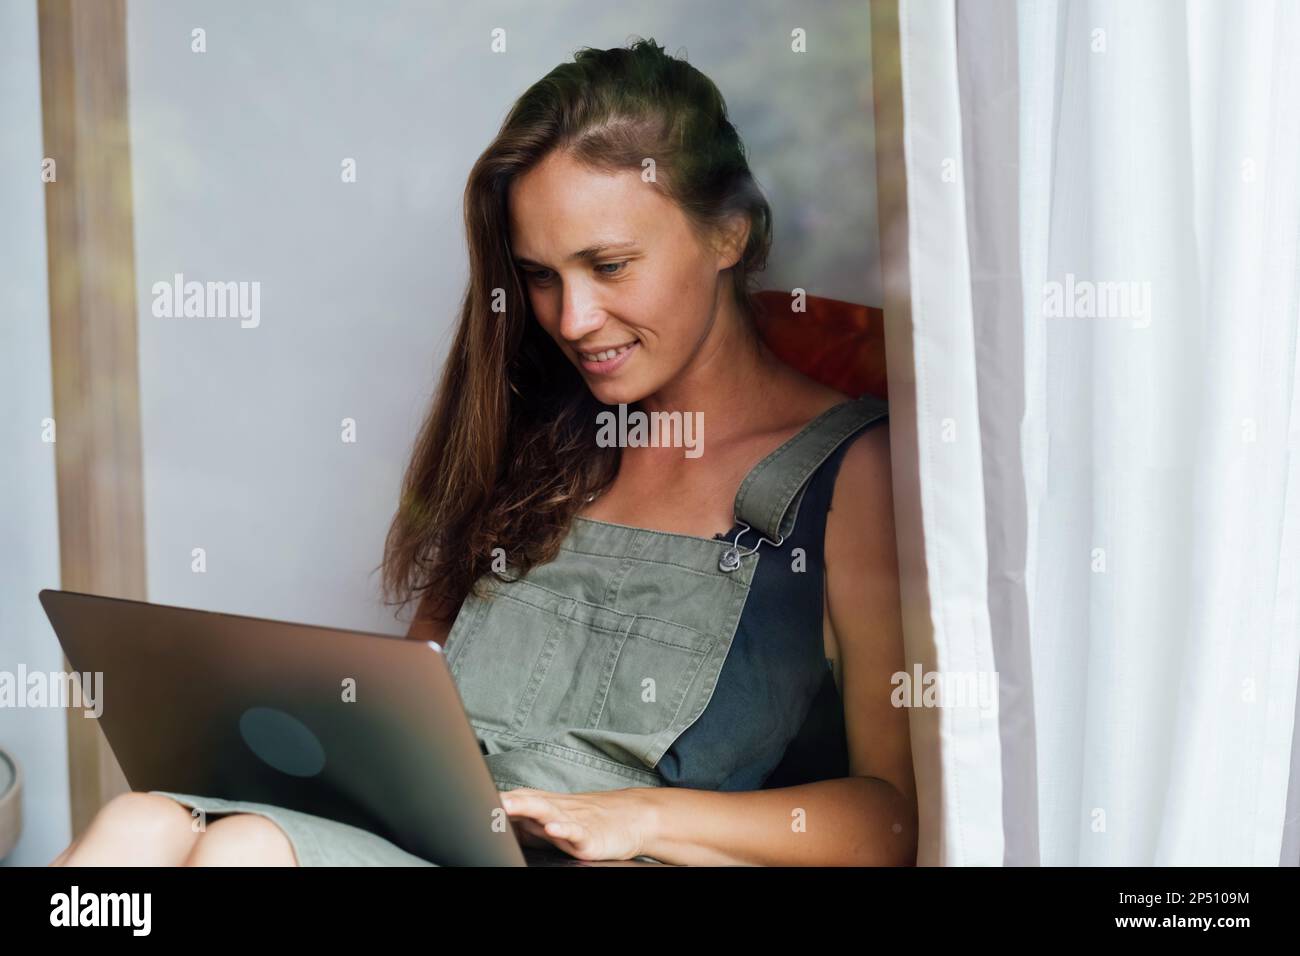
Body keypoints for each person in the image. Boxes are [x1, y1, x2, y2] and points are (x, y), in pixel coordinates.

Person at [49, 38, 915, 868]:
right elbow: (414, 724)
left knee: (246, 850)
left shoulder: (851, 473)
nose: (572, 319)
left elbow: (891, 819)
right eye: (541, 276)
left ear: (730, 234)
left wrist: (635, 817)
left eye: (610, 265)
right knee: (140, 821)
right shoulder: (537, 443)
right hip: (446, 844)